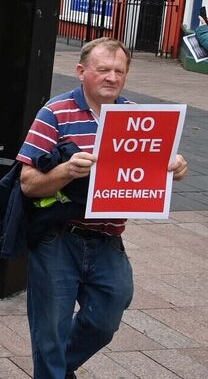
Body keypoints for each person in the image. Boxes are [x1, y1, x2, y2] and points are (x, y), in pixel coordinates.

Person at [17, 37, 189, 379]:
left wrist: (175, 167)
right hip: (59, 236)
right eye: (103, 70)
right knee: (50, 329)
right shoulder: (55, 112)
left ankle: (56, 370)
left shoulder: (136, 117)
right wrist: (66, 171)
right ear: (82, 72)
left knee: (107, 315)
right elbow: (27, 182)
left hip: (108, 237)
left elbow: (151, 171)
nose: (112, 77)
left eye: (119, 71)